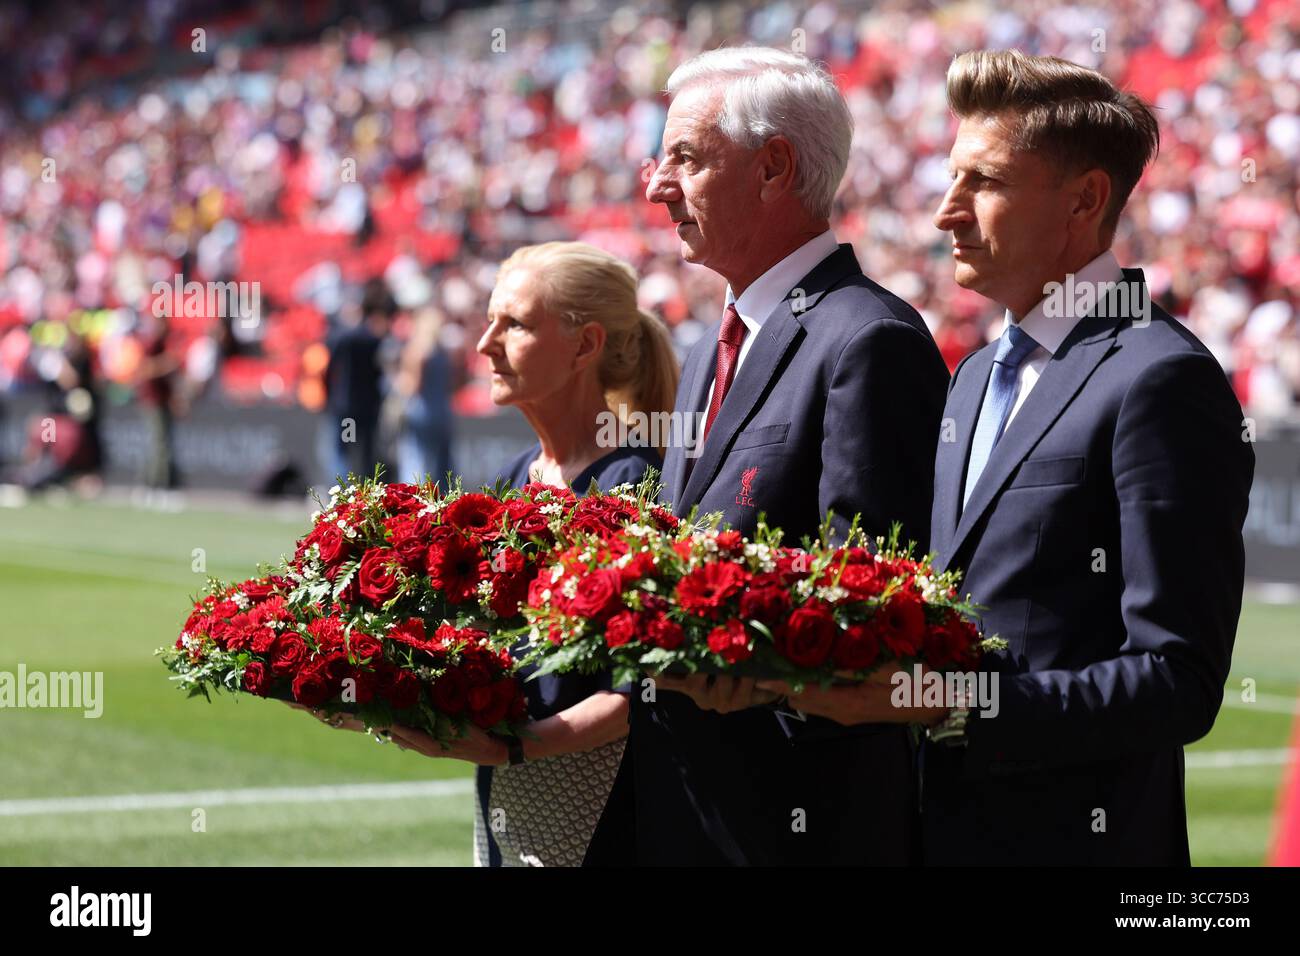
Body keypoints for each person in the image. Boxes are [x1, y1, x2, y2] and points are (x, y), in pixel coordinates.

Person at [764, 50, 1255, 865]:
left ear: (1085, 200)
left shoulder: (1161, 377)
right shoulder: (972, 378)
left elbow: (1178, 681)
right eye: (951, 179)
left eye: (982, 182)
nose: (945, 213)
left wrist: (941, 703)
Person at [586, 48, 949, 866]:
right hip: (692, 810)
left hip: (797, 823)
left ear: (774, 167)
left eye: (685, 157)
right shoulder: (711, 343)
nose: (655, 185)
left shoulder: (868, 341)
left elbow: (869, 610)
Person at [299, 241, 680, 868]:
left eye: (516, 324)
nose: (484, 344)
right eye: (490, 320)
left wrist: (519, 747)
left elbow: (643, 689)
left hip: (599, 813)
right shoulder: (511, 479)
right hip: (508, 806)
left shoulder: (634, 484)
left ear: (585, 346)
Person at [389, 305, 455, 486]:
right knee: (442, 463)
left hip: (421, 411)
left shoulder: (416, 351)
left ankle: (415, 503)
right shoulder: (444, 353)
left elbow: (411, 386)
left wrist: (393, 380)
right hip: (442, 410)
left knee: (414, 457)